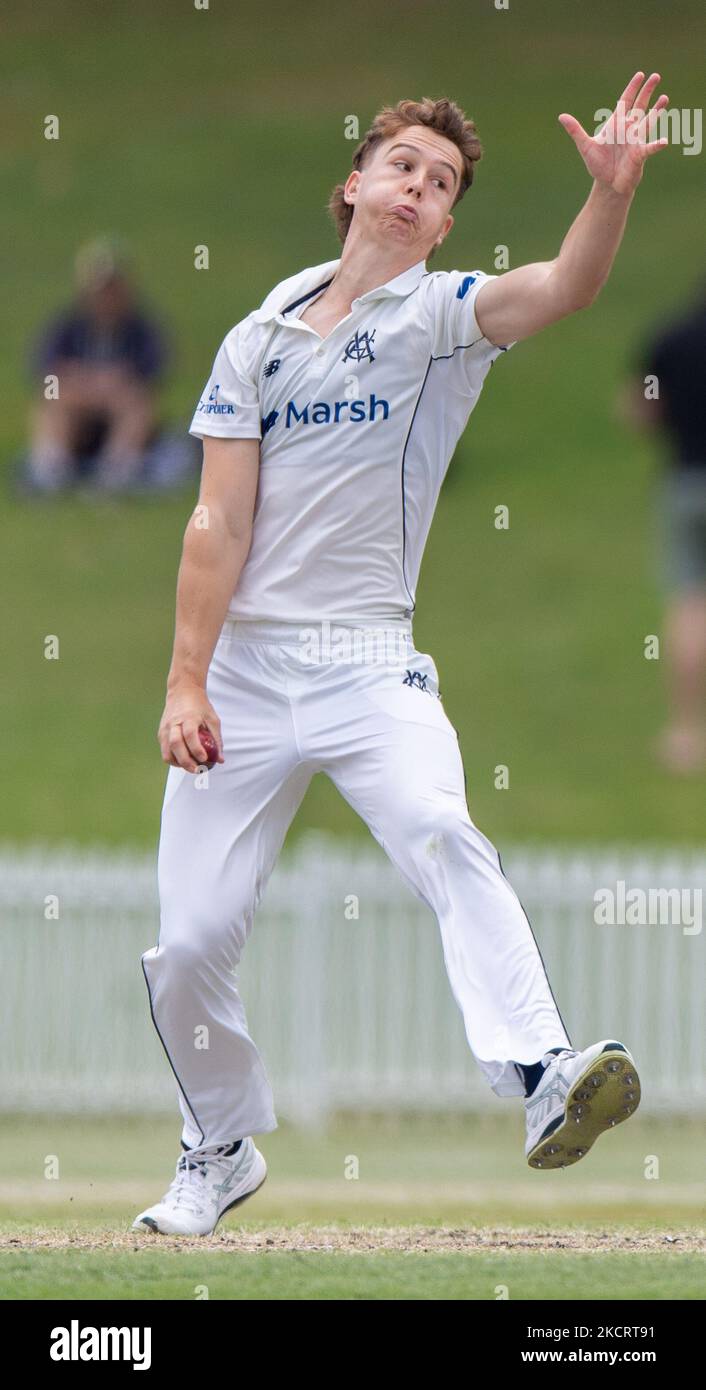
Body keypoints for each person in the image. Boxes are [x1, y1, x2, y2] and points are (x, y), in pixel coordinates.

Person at [134, 77, 665, 1236]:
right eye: (405, 166)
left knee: (439, 831)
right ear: (355, 184)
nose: (419, 188)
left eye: (442, 184)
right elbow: (216, 525)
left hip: (371, 665)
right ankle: (216, 1147)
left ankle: (538, 1079)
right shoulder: (257, 338)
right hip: (245, 678)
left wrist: (609, 200)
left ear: (443, 223)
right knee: (187, 946)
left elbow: (563, 286)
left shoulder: (439, 319)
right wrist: (185, 679)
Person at [620, 279, 706, 773]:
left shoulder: (671, 340)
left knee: (690, 604)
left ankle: (684, 735)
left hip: (686, 483)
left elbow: (639, 410)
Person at [24, 236, 170, 493]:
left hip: (119, 406)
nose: (107, 298)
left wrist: (114, 383)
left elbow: (152, 371)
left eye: (113, 290)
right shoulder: (67, 326)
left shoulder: (141, 328)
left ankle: (116, 471)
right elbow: (45, 370)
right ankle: (51, 470)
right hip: (78, 408)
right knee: (53, 401)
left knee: (137, 403)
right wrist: (86, 383)